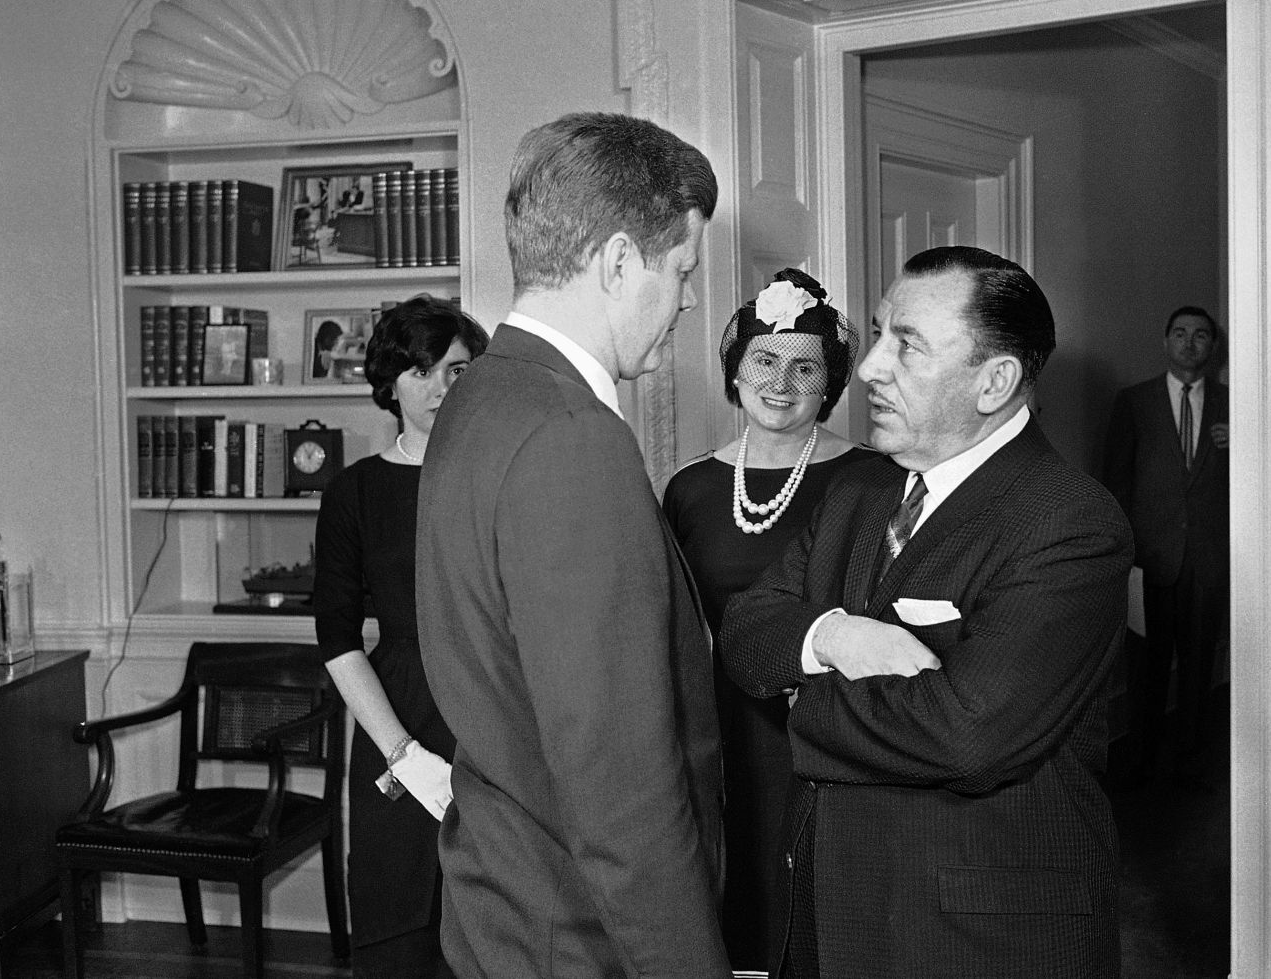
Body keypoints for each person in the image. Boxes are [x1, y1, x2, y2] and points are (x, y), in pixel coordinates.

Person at [722, 245, 1133, 979]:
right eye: (880, 333)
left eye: (904, 346)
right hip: (829, 916)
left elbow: (964, 736)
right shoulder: (857, 493)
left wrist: (802, 691)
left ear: (995, 381)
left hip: (978, 942)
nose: (872, 366)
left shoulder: (1071, 523)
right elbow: (749, 632)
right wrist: (837, 635)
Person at [416, 112, 730, 979]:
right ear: (620, 261)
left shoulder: (478, 395)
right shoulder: (571, 436)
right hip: (578, 936)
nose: (689, 300)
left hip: (501, 908)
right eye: (682, 271)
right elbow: (618, 783)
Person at [662, 269, 873, 969]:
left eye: (804, 366)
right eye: (764, 360)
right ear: (736, 371)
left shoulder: (874, 480)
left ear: (830, 382)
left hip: (823, 724)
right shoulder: (689, 488)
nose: (781, 382)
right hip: (717, 729)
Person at [312, 294, 489, 978]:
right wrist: (404, 755)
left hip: (491, 713)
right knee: (399, 924)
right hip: (398, 717)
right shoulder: (354, 492)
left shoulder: (501, 477)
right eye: (423, 371)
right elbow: (336, 636)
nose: (443, 386)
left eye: (459, 369)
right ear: (390, 385)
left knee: (495, 922)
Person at [1101, 305, 1229, 788]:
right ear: (1165, 341)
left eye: (1200, 335)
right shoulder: (1134, 402)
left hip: (1208, 559)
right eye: (1180, 333)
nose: (1189, 343)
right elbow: (1115, 481)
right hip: (1148, 561)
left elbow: (1263, 486)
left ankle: (1194, 759)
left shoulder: (1235, 406)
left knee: (1199, 663)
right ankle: (1142, 760)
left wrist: (1244, 446)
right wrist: (1123, 556)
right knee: (1146, 669)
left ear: (1211, 347)